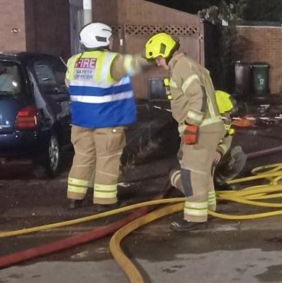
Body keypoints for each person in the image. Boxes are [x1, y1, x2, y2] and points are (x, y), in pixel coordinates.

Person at [65, 23, 153, 210]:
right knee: (108, 158)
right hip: (108, 121)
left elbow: (69, 85)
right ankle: (104, 201)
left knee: (82, 157)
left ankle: (75, 198)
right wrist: (154, 57)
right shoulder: (112, 61)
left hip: (80, 121)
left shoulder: (73, 61)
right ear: (103, 38)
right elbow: (137, 64)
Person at [145, 31, 226, 232]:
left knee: (191, 175)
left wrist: (191, 125)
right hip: (209, 127)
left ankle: (195, 219)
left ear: (165, 53)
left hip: (201, 129)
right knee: (203, 173)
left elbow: (196, 97)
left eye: (157, 58)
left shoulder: (182, 67)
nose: (157, 63)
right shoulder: (190, 65)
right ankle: (208, 208)